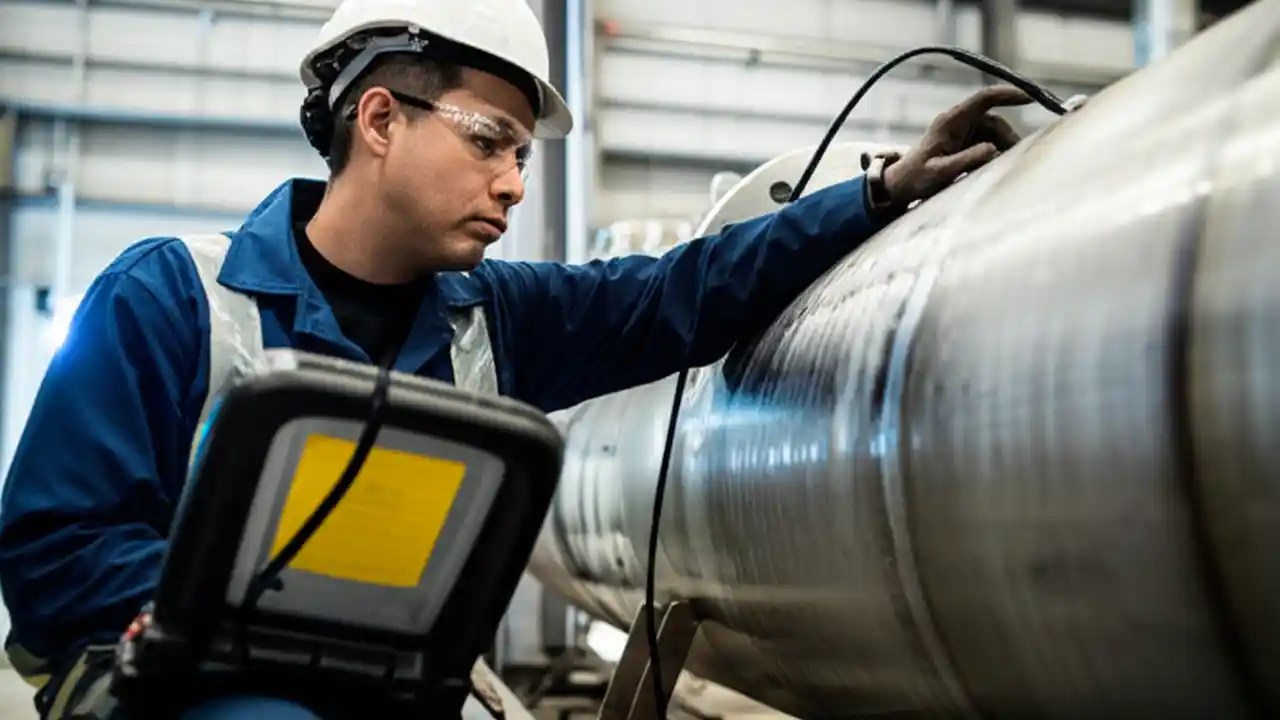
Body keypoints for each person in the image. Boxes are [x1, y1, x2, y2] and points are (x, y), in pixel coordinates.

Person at [0, 0, 1029, 718]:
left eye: (522, 156)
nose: (512, 184)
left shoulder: (489, 318)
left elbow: (681, 293)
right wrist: (232, 618)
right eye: (488, 140)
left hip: (385, 687)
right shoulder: (174, 297)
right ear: (378, 120)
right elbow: (52, 545)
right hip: (184, 687)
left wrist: (876, 196)